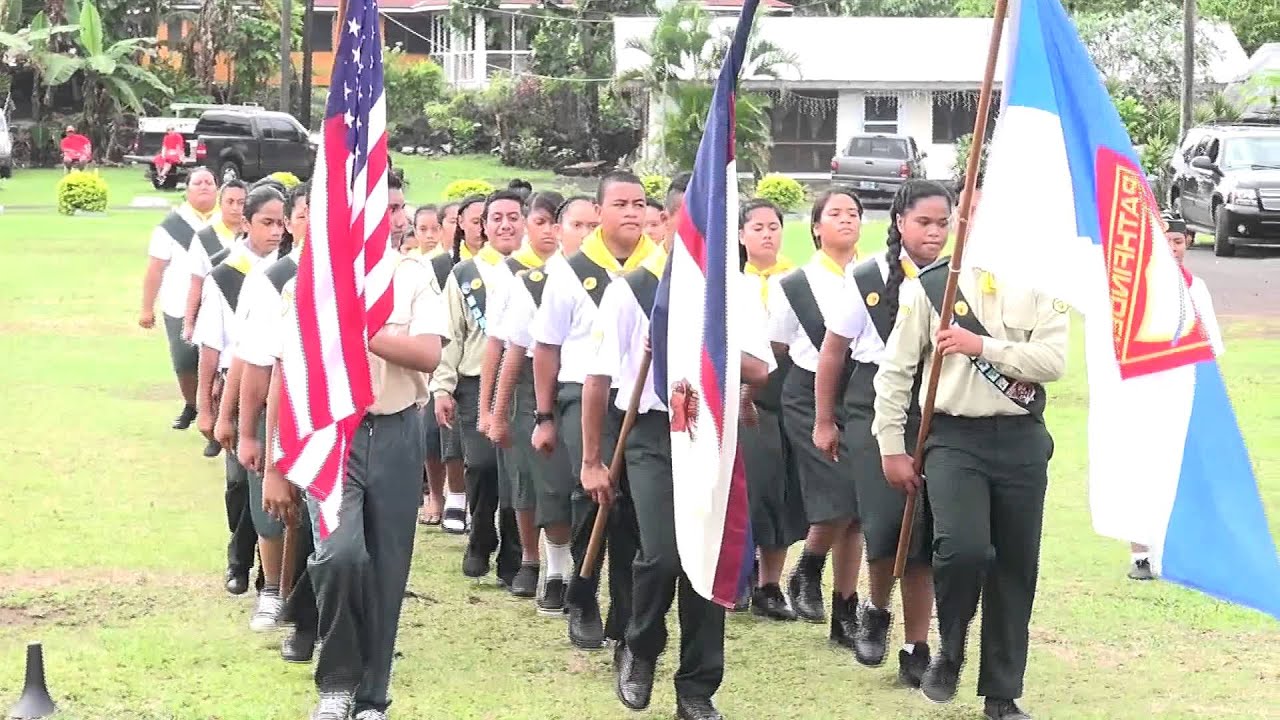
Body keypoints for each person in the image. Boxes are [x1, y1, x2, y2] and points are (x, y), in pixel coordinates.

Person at [872, 192, 1069, 720]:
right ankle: (950, 648)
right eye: (975, 210)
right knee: (961, 550)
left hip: (1021, 438)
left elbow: (1052, 361)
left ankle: (1002, 694)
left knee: (1014, 568)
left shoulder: (1046, 283)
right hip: (954, 437)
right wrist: (891, 445)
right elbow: (895, 371)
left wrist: (983, 347)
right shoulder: (933, 284)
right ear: (965, 218)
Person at [589, 244, 773, 720]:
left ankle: (696, 687)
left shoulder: (738, 292)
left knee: (707, 562)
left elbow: (759, 370)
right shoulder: (634, 289)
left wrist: (696, 342)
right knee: (664, 554)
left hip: (712, 430)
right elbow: (597, 377)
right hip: (652, 433)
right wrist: (592, 458)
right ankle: (640, 646)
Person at [273, 233, 448, 720]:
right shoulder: (311, 280)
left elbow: (429, 354)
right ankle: (336, 684)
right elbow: (288, 373)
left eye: (392, 209)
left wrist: (361, 330)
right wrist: (274, 464)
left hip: (395, 430)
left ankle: (372, 698)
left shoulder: (410, 274)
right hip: (331, 433)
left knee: (387, 570)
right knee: (339, 555)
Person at [814, 179, 950, 684]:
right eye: (923, 222)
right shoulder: (868, 276)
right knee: (888, 524)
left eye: (943, 222)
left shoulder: (953, 277)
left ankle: (917, 644)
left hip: (936, 405)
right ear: (899, 223)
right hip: (872, 404)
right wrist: (824, 420)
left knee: (926, 534)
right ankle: (875, 610)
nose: (934, 233)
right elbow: (834, 351)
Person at [530, 172, 656, 650]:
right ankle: (582, 595)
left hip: (641, 403)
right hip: (579, 395)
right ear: (598, 213)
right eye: (620, 203)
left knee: (633, 510)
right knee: (591, 496)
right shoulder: (569, 270)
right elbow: (546, 347)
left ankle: (625, 613)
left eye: (639, 203)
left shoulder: (659, 269)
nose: (631, 212)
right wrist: (543, 417)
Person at [766, 187, 865, 646]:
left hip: (864, 393)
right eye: (836, 213)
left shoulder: (877, 275)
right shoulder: (796, 284)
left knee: (861, 509)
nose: (846, 220)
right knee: (840, 492)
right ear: (817, 227)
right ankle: (807, 568)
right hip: (808, 395)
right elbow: (779, 347)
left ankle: (846, 608)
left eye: (853, 213)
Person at [236, 183, 318, 662]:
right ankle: (273, 588)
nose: (314, 222)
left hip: (335, 418)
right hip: (283, 408)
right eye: (305, 213)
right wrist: (246, 430)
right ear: (291, 221)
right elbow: (254, 365)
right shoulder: (273, 278)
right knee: (276, 508)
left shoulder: (352, 273)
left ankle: (312, 602)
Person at [193, 186, 284, 607]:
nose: (276, 231)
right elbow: (211, 344)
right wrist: (208, 408)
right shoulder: (227, 273)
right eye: (267, 222)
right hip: (238, 386)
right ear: (246, 223)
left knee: (270, 484)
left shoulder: (290, 270)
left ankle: (269, 572)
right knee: (239, 482)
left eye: (282, 222)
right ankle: (238, 555)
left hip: (279, 390)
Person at [431, 190, 526, 587]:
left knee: (518, 474)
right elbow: (449, 334)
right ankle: (481, 535)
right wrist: (442, 387)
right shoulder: (465, 274)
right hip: (476, 385)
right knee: (484, 465)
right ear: (483, 227)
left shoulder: (540, 270)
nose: (505, 224)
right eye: (496, 218)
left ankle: (516, 554)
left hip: (526, 385)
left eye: (514, 216)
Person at [474, 190, 566, 598]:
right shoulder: (512, 273)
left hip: (568, 377)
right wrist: (490, 409)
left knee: (560, 477)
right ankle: (531, 558)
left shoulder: (574, 272)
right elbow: (498, 345)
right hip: (525, 383)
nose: (548, 231)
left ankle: (562, 562)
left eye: (555, 223)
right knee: (524, 478)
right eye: (540, 222)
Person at [1127, 212, 1225, 581]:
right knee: (1140, 468)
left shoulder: (1196, 288)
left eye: (1178, 241)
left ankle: (1179, 549)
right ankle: (1140, 554)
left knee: (1181, 468)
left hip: (1183, 391)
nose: (1172, 249)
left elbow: (1211, 347)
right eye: (1164, 241)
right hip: (1141, 393)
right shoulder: (1135, 290)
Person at [735, 199, 805, 620]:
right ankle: (739, 574)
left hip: (787, 393)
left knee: (782, 491)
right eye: (757, 226)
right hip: (742, 396)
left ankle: (770, 583)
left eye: (774, 226)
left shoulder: (797, 280)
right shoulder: (729, 281)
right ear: (741, 235)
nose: (767, 234)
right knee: (747, 489)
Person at [139, 166, 219, 431]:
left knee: (220, 362)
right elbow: (155, 269)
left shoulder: (229, 220)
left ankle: (216, 411)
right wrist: (146, 309)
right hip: (178, 304)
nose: (204, 186)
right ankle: (192, 404)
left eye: (209, 182)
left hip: (219, 305)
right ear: (187, 189)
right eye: (198, 182)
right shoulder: (171, 226)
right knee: (184, 361)